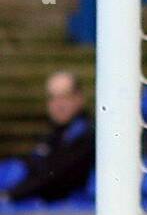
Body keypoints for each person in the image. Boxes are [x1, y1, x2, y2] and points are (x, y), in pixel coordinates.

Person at [0, 71, 94, 203]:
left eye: (65, 96)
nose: (59, 104)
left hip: (71, 214)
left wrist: (9, 195)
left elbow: (54, 176)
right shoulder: (53, 135)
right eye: (53, 98)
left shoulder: (87, 136)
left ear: (79, 98)